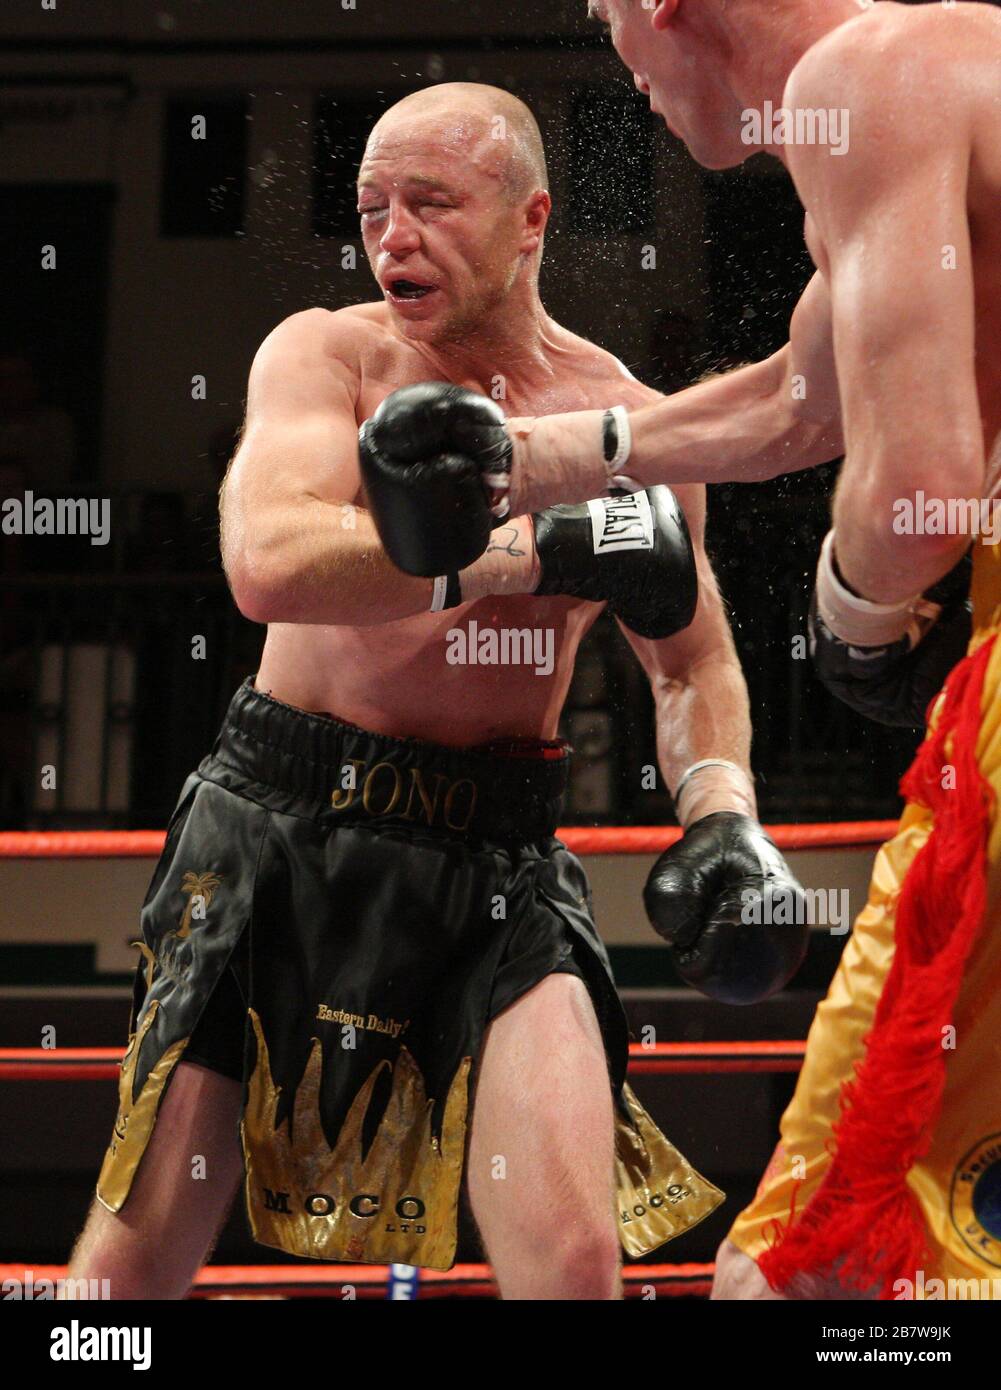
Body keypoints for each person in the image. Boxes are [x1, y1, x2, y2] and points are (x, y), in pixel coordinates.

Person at [65, 82, 806, 1301]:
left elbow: (692, 657)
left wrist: (722, 817)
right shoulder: (329, 355)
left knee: (571, 1264)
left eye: (429, 204)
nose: (389, 236)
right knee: (138, 1264)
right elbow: (267, 565)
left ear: (530, 220)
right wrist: (523, 551)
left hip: (496, 848)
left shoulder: (628, 420)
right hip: (281, 823)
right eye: (369, 207)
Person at [362, 1, 1001, 1300]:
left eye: (612, 25)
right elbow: (792, 394)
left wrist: (853, 609)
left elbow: (916, 480)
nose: (630, 76)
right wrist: (540, 460)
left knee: (812, 1258)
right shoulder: (955, 65)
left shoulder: (869, 77)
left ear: (666, 6)